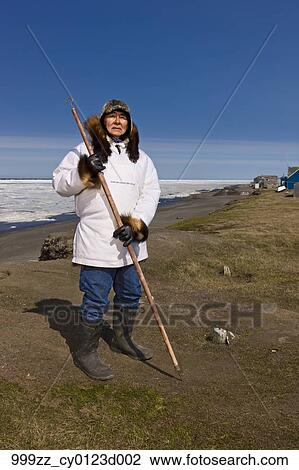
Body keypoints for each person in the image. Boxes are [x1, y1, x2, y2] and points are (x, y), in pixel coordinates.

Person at [52, 99, 161, 380]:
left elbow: (151, 194)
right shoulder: (84, 149)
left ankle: (123, 339)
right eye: (111, 117)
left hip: (130, 243)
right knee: (96, 298)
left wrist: (135, 225)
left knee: (130, 295)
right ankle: (86, 352)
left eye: (122, 117)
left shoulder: (143, 160)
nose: (116, 121)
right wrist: (85, 170)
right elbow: (60, 184)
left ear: (129, 123)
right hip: (96, 241)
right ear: (103, 122)